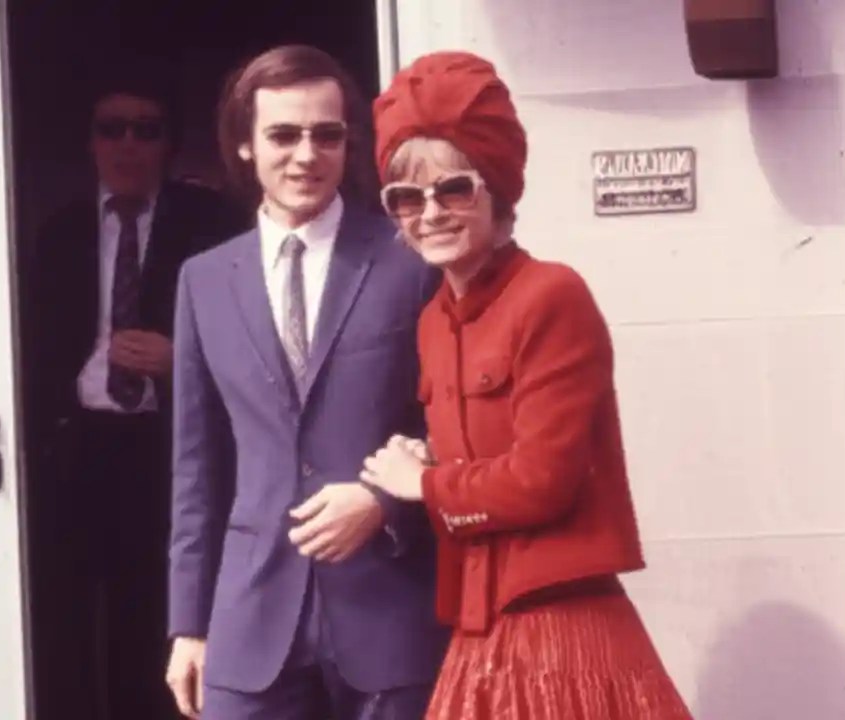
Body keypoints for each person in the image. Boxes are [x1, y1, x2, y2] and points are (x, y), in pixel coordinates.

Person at [360, 50, 694, 719]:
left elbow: (544, 480)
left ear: (498, 192)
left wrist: (421, 484)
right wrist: (434, 464)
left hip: (563, 625)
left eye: (453, 189)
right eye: (405, 198)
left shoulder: (551, 295)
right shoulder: (432, 322)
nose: (430, 213)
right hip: (479, 632)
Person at [165, 44, 449, 720]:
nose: (306, 154)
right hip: (252, 611)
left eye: (327, 134)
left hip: (388, 606)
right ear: (243, 145)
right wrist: (190, 624)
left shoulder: (407, 259)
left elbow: (455, 420)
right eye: (283, 135)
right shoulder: (204, 280)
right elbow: (195, 470)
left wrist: (385, 498)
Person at [19, 58, 247, 720]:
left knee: (157, 613)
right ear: (90, 141)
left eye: (145, 130)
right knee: (63, 616)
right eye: (111, 129)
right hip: (74, 448)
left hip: (166, 445)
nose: (126, 145)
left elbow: (259, 339)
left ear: (169, 145)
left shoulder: (211, 223)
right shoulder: (56, 233)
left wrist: (185, 360)